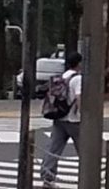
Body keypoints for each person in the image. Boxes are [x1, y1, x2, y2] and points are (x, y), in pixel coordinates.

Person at [40, 52, 82, 188]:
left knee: (54, 148)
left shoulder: (63, 77)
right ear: (79, 63)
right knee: (85, 149)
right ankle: (88, 176)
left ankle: (48, 177)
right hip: (73, 119)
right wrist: (82, 114)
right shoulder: (77, 79)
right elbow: (79, 97)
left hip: (59, 117)